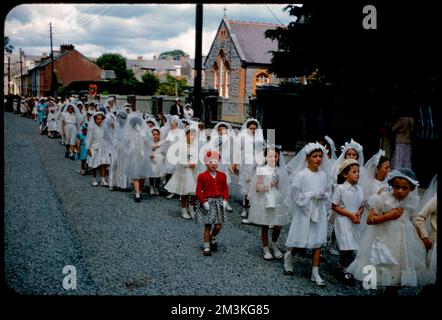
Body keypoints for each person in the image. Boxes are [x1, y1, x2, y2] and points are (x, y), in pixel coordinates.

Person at [347, 168, 428, 295]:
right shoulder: (382, 198)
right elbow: (369, 220)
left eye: (404, 188)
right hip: (384, 240)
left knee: (398, 275)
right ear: (392, 185)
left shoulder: (411, 201)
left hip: (402, 242)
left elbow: (413, 220)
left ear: (411, 189)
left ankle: (391, 290)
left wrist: (422, 237)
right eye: (397, 187)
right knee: (383, 271)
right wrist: (388, 216)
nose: (400, 191)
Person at [283, 142, 331, 286]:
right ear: (307, 158)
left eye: (320, 156)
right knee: (301, 239)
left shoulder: (324, 175)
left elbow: (329, 192)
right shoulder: (301, 175)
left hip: (318, 211)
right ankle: (289, 256)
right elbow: (295, 196)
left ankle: (315, 272)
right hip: (304, 211)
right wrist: (310, 195)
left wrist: (324, 195)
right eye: (314, 156)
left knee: (318, 242)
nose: (318, 159)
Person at [247, 146, 291, 260]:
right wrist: (269, 185)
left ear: (278, 157)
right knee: (265, 224)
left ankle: (274, 244)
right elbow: (257, 188)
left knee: (278, 225)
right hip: (265, 197)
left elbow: (284, 187)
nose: (273, 158)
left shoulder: (280, 170)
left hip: (276, 197)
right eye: (270, 156)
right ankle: (266, 248)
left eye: (275, 156)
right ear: (266, 157)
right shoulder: (261, 170)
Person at [331, 159, 365, 284]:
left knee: (351, 245)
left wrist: (358, 213)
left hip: (354, 221)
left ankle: (345, 266)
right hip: (343, 220)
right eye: (354, 172)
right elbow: (334, 206)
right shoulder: (340, 188)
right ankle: (345, 269)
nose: (357, 174)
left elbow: (362, 205)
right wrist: (350, 214)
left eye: (358, 172)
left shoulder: (359, 189)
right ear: (345, 174)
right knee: (346, 244)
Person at [193, 150, 229, 256]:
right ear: (206, 163)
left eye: (216, 161)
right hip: (208, 203)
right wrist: (203, 202)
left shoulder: (222, 175)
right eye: (211, 162)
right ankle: (206, 246)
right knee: (208, 225)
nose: (213, 164)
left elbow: (225, 188)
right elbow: (198, 190)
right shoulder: (202, 176)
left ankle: (212, 237)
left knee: (218, 226)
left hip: (219, 202)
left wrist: (225, 200)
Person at [231, 118, 265, 224]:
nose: (253, 130)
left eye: (254, 129)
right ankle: (244, 208)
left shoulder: (260, 137)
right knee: (246, 187)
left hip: (257, 163)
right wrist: (235, 162)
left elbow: (263, 150)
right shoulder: (242, 137)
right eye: (251, 128)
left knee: (255, 186)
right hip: (246, 163)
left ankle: (253, 210)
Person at [164, 125, 199, 219]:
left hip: (194, 171)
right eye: (190, 134)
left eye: (194, 135)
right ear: (186, 135)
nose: (192, 136)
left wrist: (195, 163)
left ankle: (191, 209)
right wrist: (187, 164)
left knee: (194, 191)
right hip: (184, 171)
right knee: (184, 191)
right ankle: (184, 210)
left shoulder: (196, 146)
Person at [122, 116, 153, 202]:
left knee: (139, 175)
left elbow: (147, 143)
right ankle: (138, 193)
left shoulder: (140, 132)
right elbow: (147, 143)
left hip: (139, 155)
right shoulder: (139, 132)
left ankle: (138, 192)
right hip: (138, 155)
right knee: (139, 175)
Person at [415, 174, 437, 287]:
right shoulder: (436, 199)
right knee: (432, 278)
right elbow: (420, 217)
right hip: (436, 244)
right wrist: (425, 236)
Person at [209, 122, 236, 212]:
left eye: (224, 129)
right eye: (220, 130)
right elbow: (216, 145)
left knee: (226, 184)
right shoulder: (216, 138)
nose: (222, 131)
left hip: (225, 162)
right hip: (216, 162)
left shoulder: (230, 139)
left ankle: (225, 202)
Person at [86, 111, 111, 187]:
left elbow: (107, 137)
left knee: (103, 163)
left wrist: (111, 144)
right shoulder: (92, 128)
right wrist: (88, 148)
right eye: (98, 119)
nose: (100, 121)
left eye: (101, 119)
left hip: (103, 147)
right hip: (94, 147)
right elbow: (89, 139)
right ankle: (94, 179)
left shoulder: (104, 128)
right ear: (95, 120)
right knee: (95, 164)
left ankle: (103, 179)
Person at [149, 127, 166, 196]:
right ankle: (151, 186)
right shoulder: (149, 142)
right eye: (153, 134)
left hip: (159, 160)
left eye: (157, 134)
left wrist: (163, 156)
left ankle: (157, 187)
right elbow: (147, 150)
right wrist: (150, 154)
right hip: (151, 159)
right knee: (152, 174)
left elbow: (164, 151)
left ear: (159, 135)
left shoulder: (161, 143)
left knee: (159, 175)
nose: (155, 136)